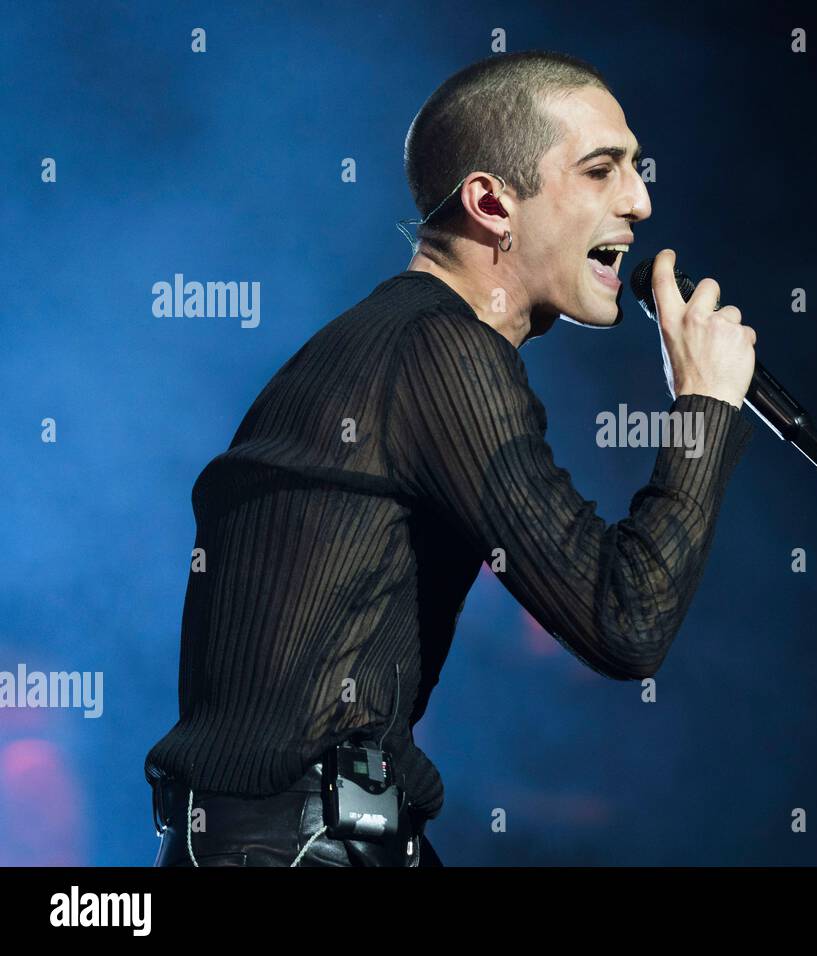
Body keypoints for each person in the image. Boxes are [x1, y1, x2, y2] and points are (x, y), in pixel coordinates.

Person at [145, 50, 756, 866]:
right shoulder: (440, 351)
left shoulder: (377, 342)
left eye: (637, 171)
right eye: (602, 170)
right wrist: (704, 410)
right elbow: (625, 620)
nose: (641, 202)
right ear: (491, 202)